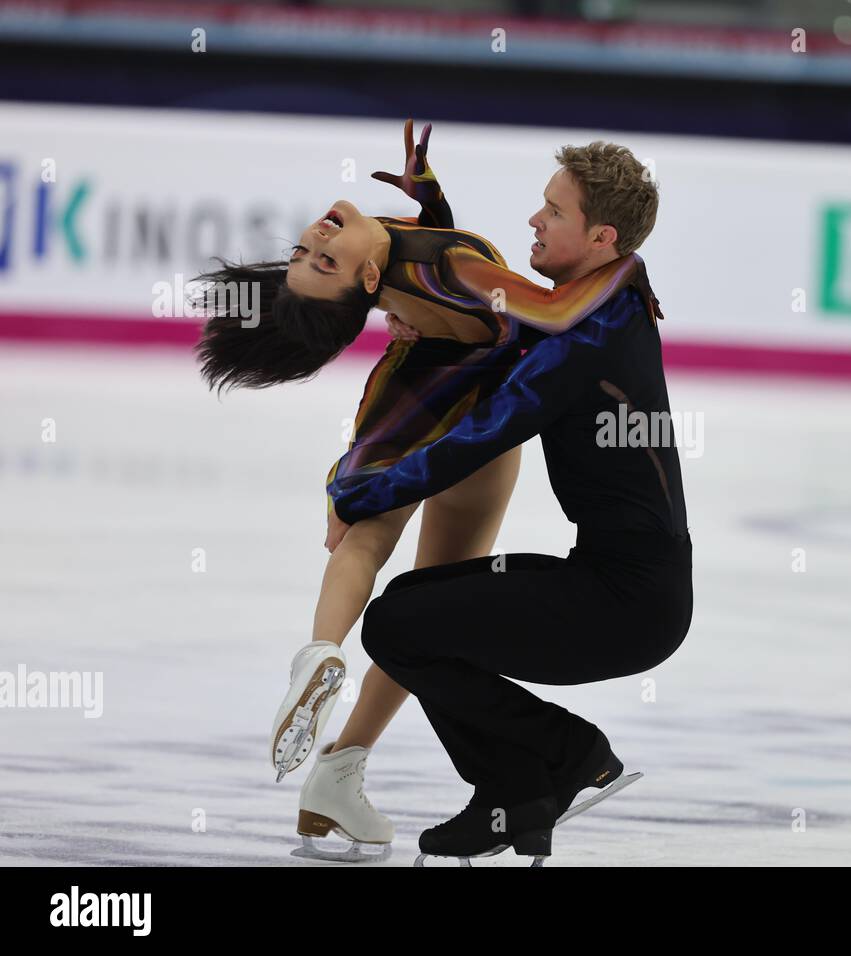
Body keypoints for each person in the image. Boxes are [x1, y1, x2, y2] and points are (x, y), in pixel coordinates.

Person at [191, 120, 655, 860]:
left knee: (382, 556)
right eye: (325, 260)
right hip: (475, 400)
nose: (316, 237)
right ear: (370, 286)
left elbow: (427, 252)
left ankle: (319, 665)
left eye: (307, 254)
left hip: (414, 388)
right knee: (427, 597)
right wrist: (630, 268)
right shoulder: (450, 273)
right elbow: (555, 310)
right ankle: (341, 753)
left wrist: (428, 203)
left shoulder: (402, 255)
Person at [328, 136, 692, 863]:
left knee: (400, 624)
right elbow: (483, 311)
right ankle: (517, 797)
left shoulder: (586, 340)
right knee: (414, 609)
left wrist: (361, 491)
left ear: (600, 237)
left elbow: (479, 433)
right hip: (622, 585)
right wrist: (433, 214)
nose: (534, 219)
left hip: (624, 606)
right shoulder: (606, 303)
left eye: (553, 212)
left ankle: (567, 750)